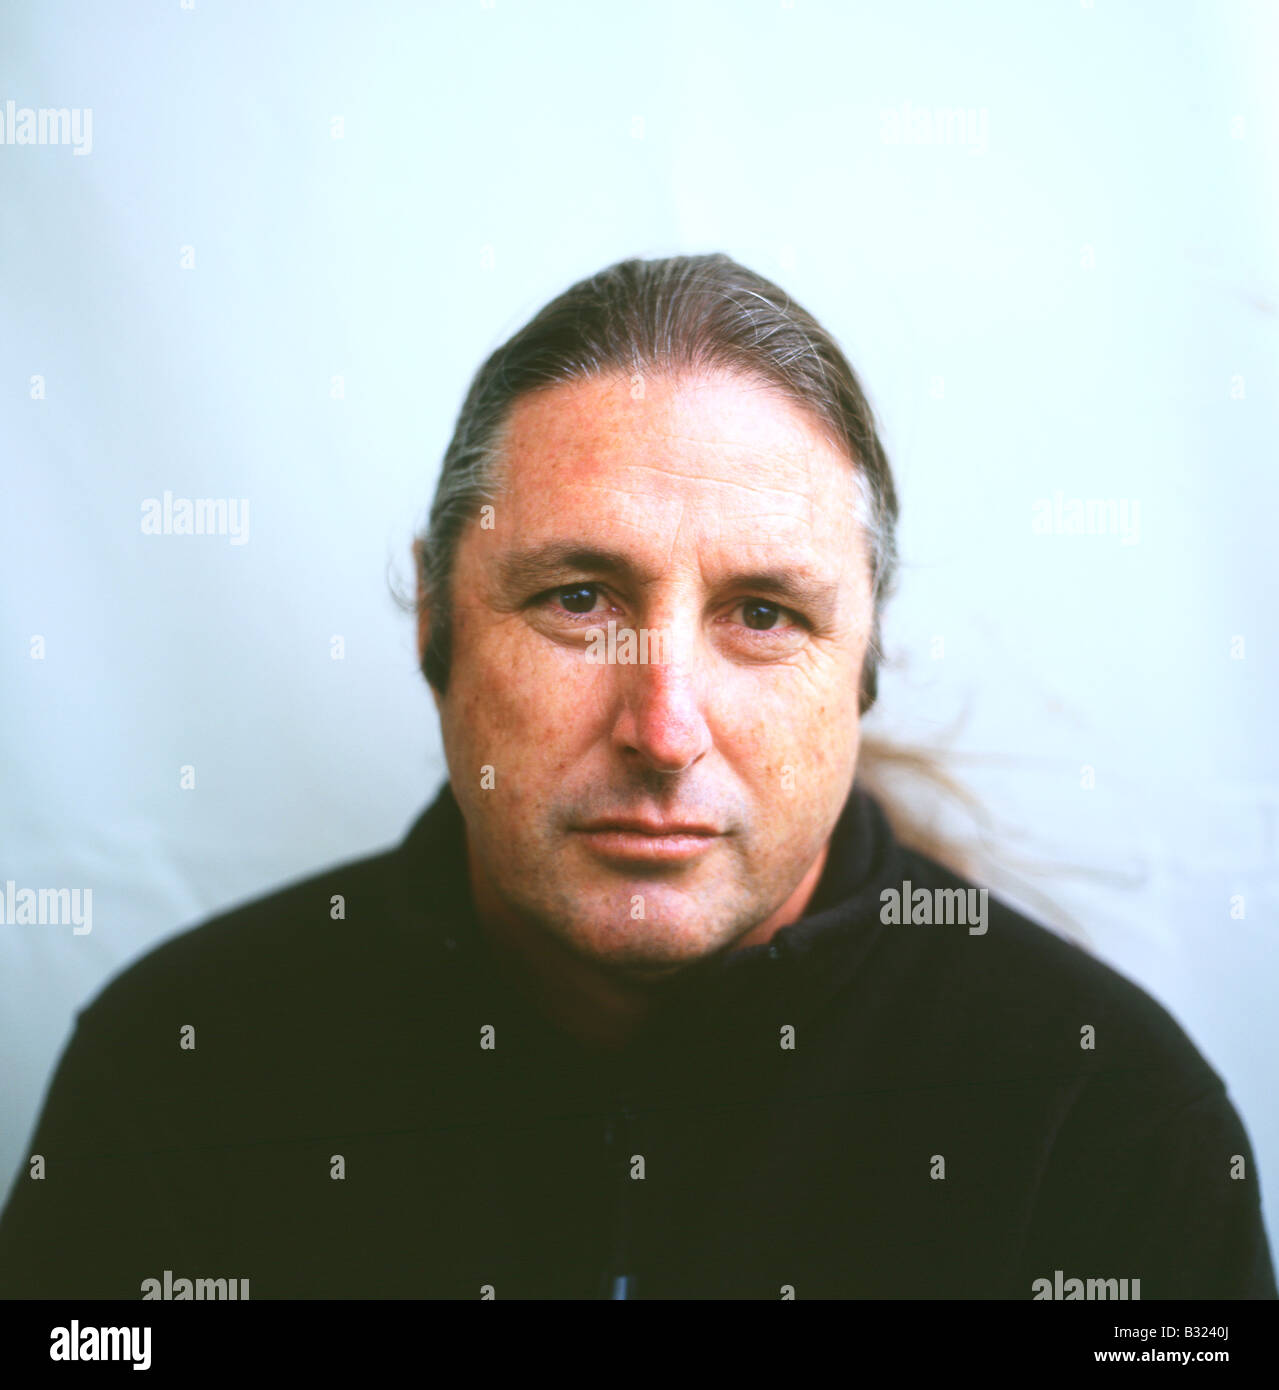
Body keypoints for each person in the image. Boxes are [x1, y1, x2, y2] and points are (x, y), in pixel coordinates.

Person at [0, 254, 1272, 1299]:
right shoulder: (180, 1075)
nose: (664, 729)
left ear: (864, 663)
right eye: (577, 597)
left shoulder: (1102, 1123)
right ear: (436, 625)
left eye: (762, 613)